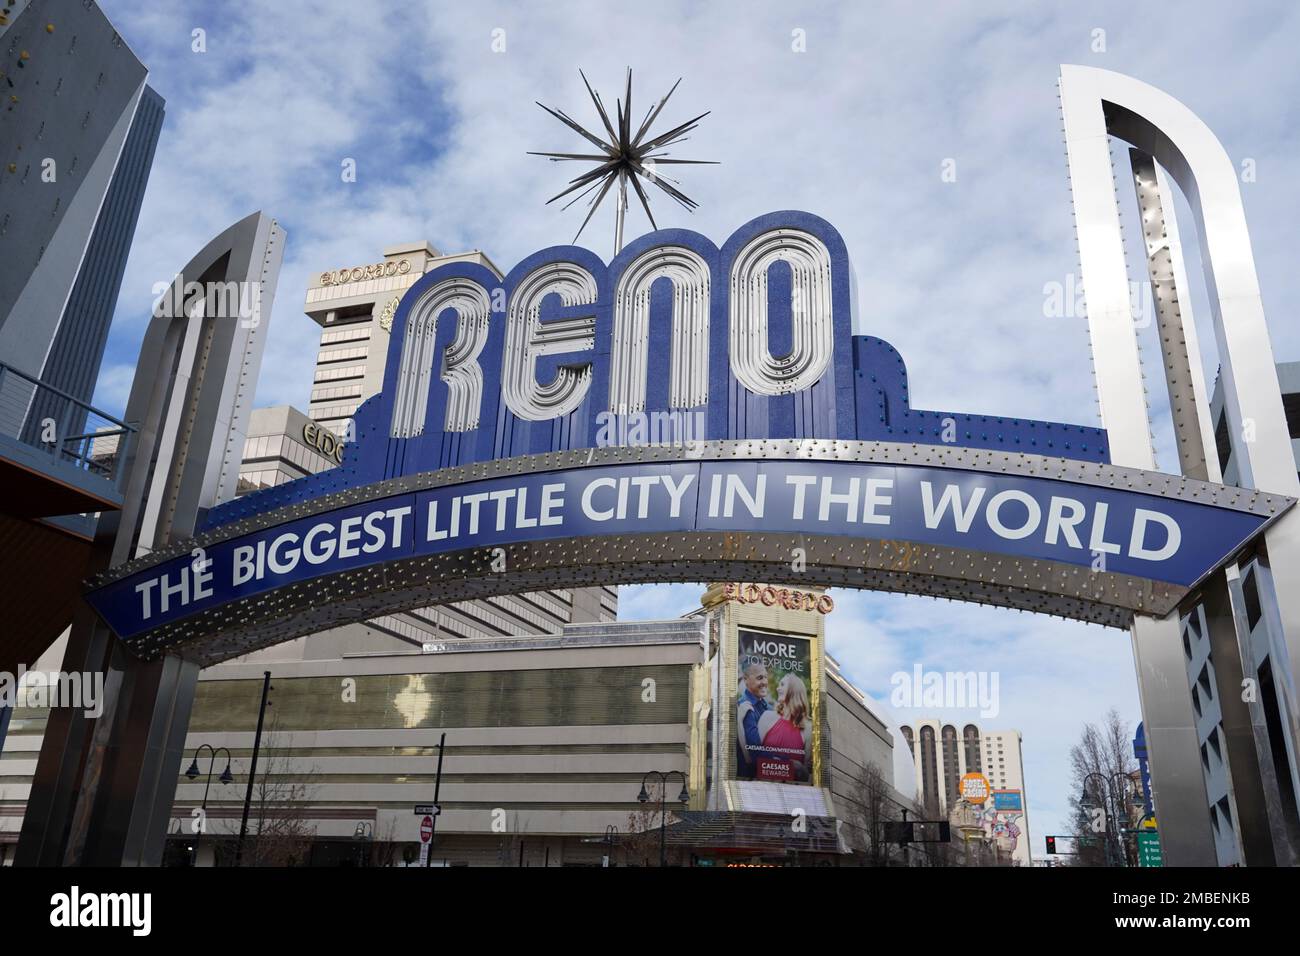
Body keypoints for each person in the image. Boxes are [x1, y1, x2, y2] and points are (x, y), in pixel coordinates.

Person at [755, 674, 811, 782]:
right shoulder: (767, 716)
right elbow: (753, 756)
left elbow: (807, 774)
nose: (777, 688)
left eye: (782, 684)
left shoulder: (808, 727)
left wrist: (798, 767)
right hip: (761, 786)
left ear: (793, 689)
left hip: (793, 792)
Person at [735, 661, 770, 779]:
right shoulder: (745, 708)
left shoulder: (767, 707)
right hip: (749, 782)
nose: (765, 682)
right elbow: (754, 754)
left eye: (766, 677)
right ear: (746, 680)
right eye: (760, 678)